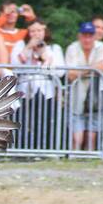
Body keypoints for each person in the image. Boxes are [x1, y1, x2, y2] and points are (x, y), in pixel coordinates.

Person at [10, 19, 64, 149]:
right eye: (33, 31)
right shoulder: (20, 45)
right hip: (25, 92)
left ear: (45, 31)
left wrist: (45, 55)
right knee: (23, 121)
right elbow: (14, 66)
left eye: (39, 30)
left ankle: (45, 149)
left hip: (47, 92)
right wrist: (28, 48)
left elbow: (60, 71)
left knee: (46, 121)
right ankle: (22, 149)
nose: (36, 34)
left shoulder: (54, 48)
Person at [65, 21, 103, 151]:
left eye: (90, 35)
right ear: (79, 36)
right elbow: (70, 75)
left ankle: (90, 165)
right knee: (77, 139)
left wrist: (81, 71)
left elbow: (102, 68)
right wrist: (91, 69)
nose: (87, 39)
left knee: (91, 138)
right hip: (76, 98)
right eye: (84, 35)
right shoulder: (72, 48)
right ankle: (73, 162)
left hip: (95, 98)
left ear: (94, 36)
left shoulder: (101, 46)